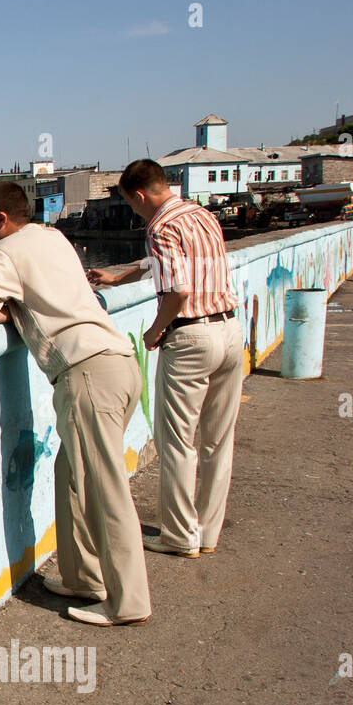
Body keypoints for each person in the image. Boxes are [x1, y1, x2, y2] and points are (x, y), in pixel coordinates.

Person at [0, 181, 151, 627]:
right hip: (118, 362)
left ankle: (130, 602)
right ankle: (83, 578)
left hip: (86, 373)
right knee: (71, 475)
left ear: (1, 219)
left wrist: (9, 313)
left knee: (105, 489)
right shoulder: (52, 236)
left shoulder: (6, 252)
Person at [88, 159, 241, 559]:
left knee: (176, 442)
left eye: (132, 205)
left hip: (190, 337)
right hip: (228, 330)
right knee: (217, 441)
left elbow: (177, 290)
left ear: (139, 195)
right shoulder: (201, 215)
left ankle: (178, 535)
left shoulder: (160, 226)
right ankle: (206, 532)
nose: (136, 213)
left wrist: (156, 330)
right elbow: (178, 265)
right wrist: (119, 277)